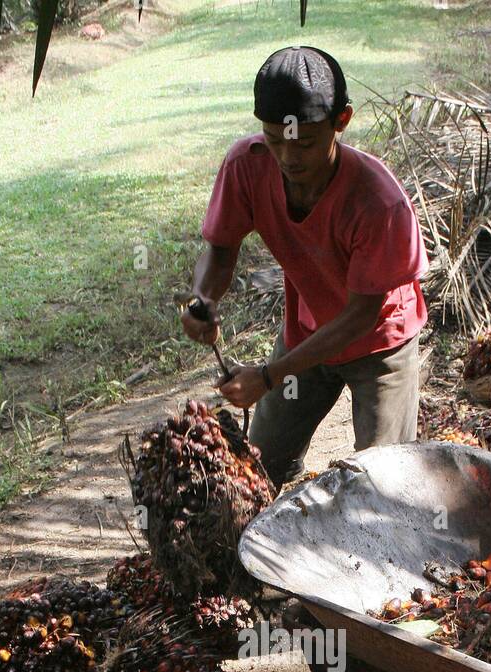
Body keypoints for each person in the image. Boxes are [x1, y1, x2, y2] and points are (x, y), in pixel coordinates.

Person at [182, 45, 428, 490]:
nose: (288, 158)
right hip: (308, 333)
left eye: (305, 143)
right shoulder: (247, 166)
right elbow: (220, 252)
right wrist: (203, 300)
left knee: (384, 486)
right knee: (258, 470)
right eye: (274, 140)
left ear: (342, 121)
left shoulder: (378, 202)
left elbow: (359, 317)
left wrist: (271, 376)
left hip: (379, 344)